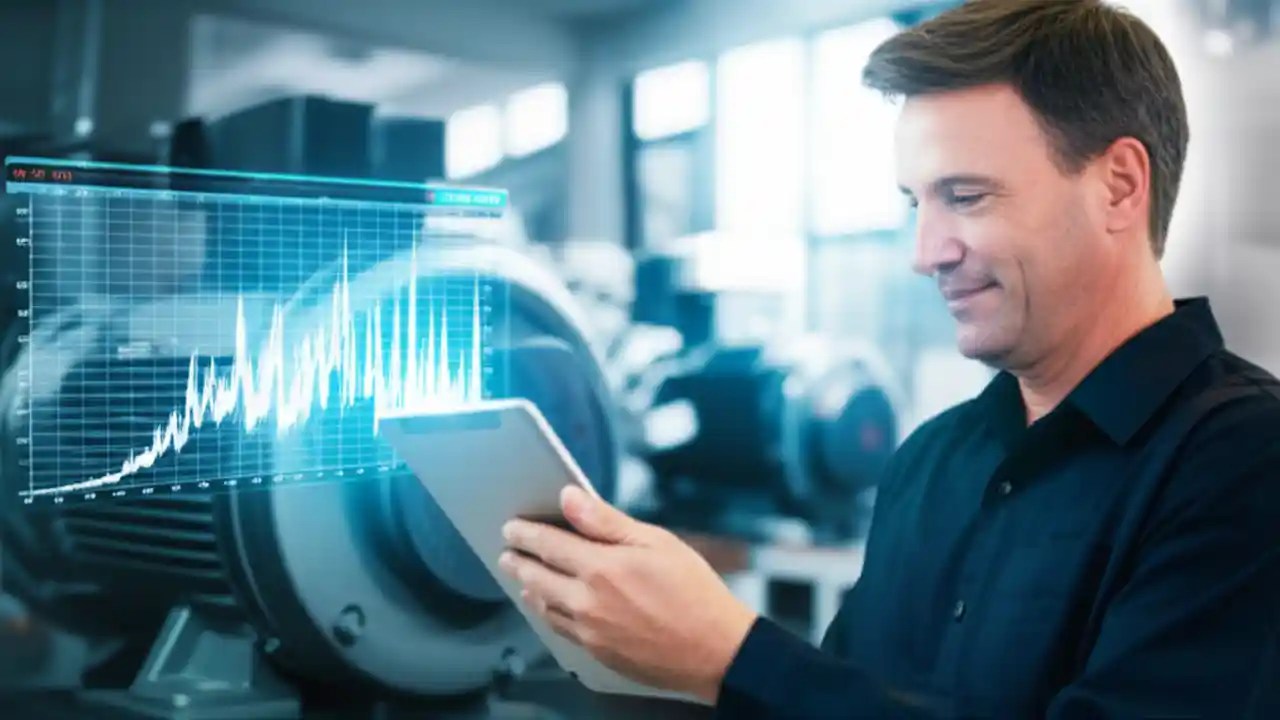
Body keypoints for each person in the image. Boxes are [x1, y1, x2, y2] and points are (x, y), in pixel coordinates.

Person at [496, 0, 1280, 716]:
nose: (925, 252)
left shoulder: (1243, 461)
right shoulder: (929, 462)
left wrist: (729, 655)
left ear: (1117, 187)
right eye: (917, 203)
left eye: (966, 197)